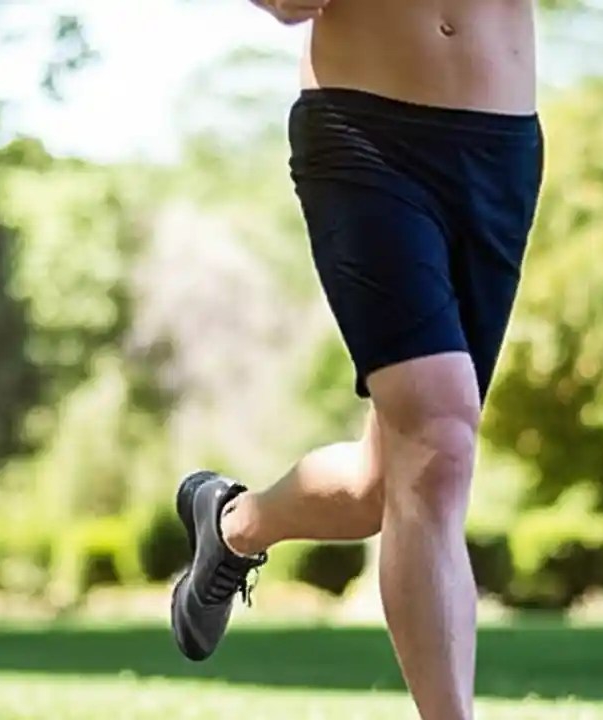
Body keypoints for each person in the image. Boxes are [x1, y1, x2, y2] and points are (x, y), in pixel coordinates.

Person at [169, 0, 542, 717]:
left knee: (393, 481)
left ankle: (232, 526)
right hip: (364, 135)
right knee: (439, 437)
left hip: (501, 144)